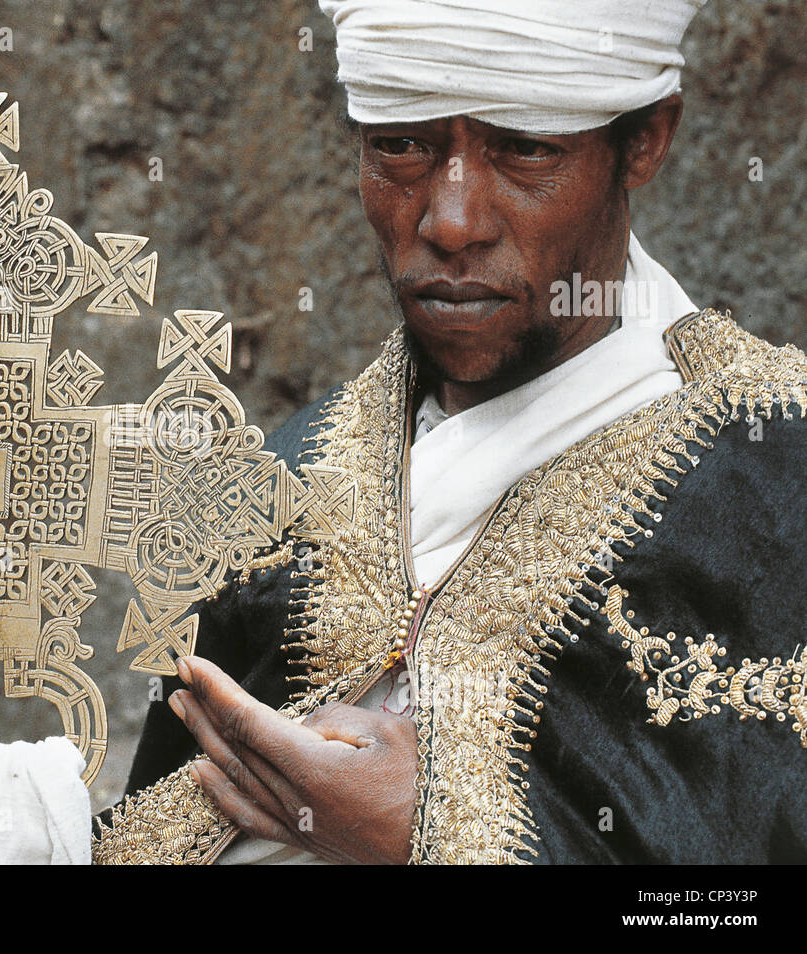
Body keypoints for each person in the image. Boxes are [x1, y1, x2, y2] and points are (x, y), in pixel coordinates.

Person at [91, 0, 807, 864]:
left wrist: (431, 841)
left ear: (645, 140)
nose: (451, 221)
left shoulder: (777, 484)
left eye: (527, 149)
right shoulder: (274, 495)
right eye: (403, 146)